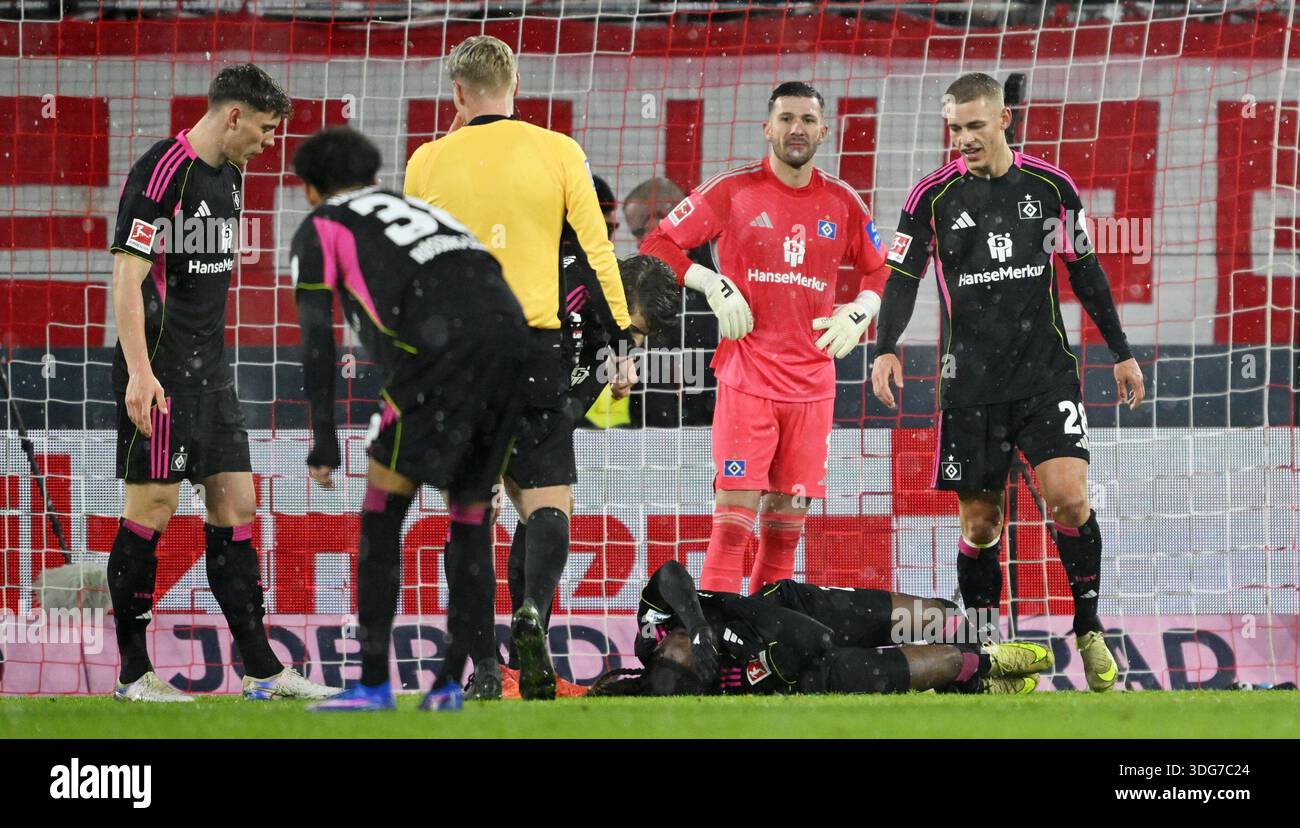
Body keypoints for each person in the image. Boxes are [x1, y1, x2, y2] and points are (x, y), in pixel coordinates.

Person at [870, 72, 1146, 692]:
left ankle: (1088, 626)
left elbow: (1084, 269)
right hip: (969, 387)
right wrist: (885, 348)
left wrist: (1121, 352)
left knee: (1069, 498)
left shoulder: (1049, 187)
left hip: (1046, 376)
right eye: (955, 128)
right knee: (980, 525)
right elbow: (903, 276)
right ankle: (990, 653)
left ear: (1004, 121)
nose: (964, 139)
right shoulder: (932, 197)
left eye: (975, 125)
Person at [404, 35, 637, 700]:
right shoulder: (558, 150)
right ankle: (531, 613)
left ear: (456, 93)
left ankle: (483, 666)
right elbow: (596, 250)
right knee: (546, 504)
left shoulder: (427, 161)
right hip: (535, 349)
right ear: (516, 84)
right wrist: (621, 338)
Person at [106, 64, 334, 702]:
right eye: (264, 129)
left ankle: (262, 671)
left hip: (212, 375)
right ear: (234, 116)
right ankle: (133, 675)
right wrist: (141, 374)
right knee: (152, 509)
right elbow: (126, 277)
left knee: (237, 506)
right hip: (159, 374)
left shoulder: (231, 175)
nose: (269, 143)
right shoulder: (161, 172)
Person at [288, 127, 529, 713]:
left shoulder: (323, 224)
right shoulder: (422, 212)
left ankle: (373, 685)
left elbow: (317, 338)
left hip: (441, 353)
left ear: (310, 189)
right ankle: (447, 685)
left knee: (383, 513)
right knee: (469, 515)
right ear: (373, 176)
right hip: (515, 343)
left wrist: (323, 439)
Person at [640, 81, 888, 593]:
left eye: (807, 120)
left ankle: (764, 638)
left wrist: (863, 308)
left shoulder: (843, 201)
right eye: (786, 118)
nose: (797, 128)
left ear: (824, 131)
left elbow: (883, 268)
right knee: (733, 523)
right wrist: (710, 283)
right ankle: (718, 638)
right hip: (747, 378)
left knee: (785, 532)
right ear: (767, 128)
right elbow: (657, 243)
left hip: (813, 386)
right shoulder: (733, 190)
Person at [587, 561, 1053, 697]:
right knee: (951, 659)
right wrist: (733, 631)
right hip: (800, 665)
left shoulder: (651, 633)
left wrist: (698, 626)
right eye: (694, 656)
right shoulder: (736, 680)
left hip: (792, 605)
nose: (685, 643)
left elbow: (669, 574)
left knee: (944, 616)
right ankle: (980, 671)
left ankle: (979, 667)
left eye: (678, 643)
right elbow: (812, 640)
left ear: (659, 650)